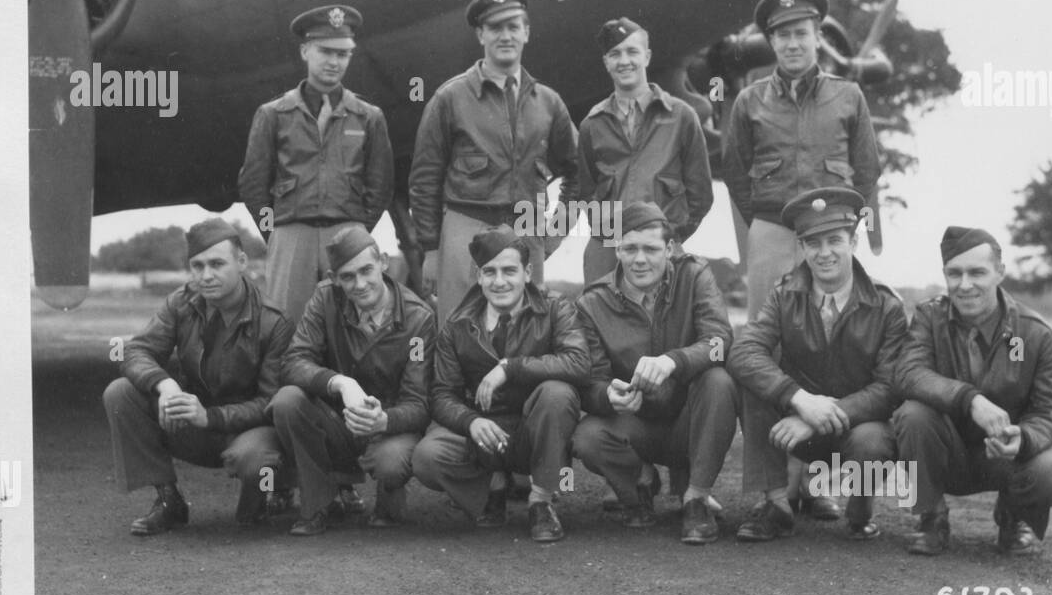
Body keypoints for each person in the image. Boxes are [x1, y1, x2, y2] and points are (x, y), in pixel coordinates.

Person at [728, 188, 907, 542]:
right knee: (751, 376)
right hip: (795, 418)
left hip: (854, 426)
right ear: (802, 247)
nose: (824, 253)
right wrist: (798, 399)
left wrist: (822, 415)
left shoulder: (888, 306)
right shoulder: (784, 294)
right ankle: (777, 504)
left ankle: (860, 506)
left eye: (834, 240)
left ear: (853, 242)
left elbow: (890, 388)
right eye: (812, 243)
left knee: (873, 440)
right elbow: (744, 351)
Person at [102, 217, 294, 535]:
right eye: (198, 265)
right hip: (194, 424)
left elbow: (270, 403)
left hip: (247, 432)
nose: (206, 276)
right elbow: (135, 351)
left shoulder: (274, 321)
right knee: (120, 393)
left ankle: (268, 491)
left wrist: (211, 416)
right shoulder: (181, 302)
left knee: (255, 468)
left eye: (217, 264)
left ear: (242, 262)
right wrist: (166, 386)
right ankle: (168, 500)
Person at [893, 226, 1052, 556]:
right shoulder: (929, 317)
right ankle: (931, 517)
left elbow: (1050, 411)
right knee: (912, 415)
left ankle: (1013, 517)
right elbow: (909, 373)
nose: (964, 285)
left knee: (1050, 472)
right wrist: (970, 399)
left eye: (977, 272)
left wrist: (1025, 439)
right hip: (944, 449)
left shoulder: (1032, 334)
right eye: (954, 273)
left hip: (1003, 455)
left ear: (1000, 273)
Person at [408, 0, 578, 322]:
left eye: (513, 26)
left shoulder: (548, 103)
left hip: (525, 229)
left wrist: (554, 232)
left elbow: (580, 172)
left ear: (526, 32)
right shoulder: (450, 98)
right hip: (465, 226)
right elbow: (424, 181)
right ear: (480, 35)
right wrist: (430, 248)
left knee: (526, 338)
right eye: (495, 28)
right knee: (458, 334)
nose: (505, 36)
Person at [411, 225, 589, 543]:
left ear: (528, 272)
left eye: (509, 270)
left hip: (536, 430)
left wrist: (512, 367)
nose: (500, 281)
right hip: (485, 433)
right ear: (479, 277)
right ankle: (489, 488)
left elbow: (578, 363)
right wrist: (471, 421)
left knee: (557, 393)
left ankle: (541, 500)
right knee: (427, 456)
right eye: (489, 272)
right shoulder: (456, 324)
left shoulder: (556, 307)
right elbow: (441, 393)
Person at [572, 202, 736, 544]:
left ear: (671, 249)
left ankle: (696, 498)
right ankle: (637, 490)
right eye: (629, 249)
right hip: (635, 422)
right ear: (617, 249)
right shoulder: (592, 302)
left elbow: (720, 341)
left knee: (719, 381)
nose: (640, 259)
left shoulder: (695, 275)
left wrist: (674, 360)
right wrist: (608, 396)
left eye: (651, 248)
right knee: (587, 437)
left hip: (688, 417)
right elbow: (590, 382)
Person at [722, 0, 881, 317]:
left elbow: (867, 170)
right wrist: (764, 224)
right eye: (782, 35)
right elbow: (735, 171)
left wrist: (844, 227)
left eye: (800, 33)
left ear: (817, 37)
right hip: (772, 232)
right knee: (764, 333)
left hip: (831, 231)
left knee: (834, 329)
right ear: (771, 42)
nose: (792, 43)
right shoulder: (749, 101)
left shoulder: (849, 96)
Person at [270, 225, 435, 536]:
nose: (359, 284)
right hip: (338, 421)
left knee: (390, 466)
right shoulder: (325, 299)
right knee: (287, 400)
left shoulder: (419, 320)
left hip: (389, 428)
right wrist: (340, 383)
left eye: (366, 271)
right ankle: (318, 503)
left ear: (384, 262)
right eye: (347, 276)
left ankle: (388, 496)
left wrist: (383, 420)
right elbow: (293, 361)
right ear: (335, 278)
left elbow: (421, 403)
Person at [238, 4, 394, 327]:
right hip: (291, 232)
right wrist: (279, 234)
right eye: (325, 51)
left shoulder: (368, 116)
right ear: (305, 51)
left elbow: (381, 185)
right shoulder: (273, 114)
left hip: (347, 229)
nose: (334, 62)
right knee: (284, 328)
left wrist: (357, 232)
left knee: (353, 326)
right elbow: (253, 184)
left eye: (343, 54)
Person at [575, 18, 713, 279]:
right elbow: (586, 192)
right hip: (607, 251)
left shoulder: (681, 117)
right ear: (606, 62)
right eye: (615, 54)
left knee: (664, 319)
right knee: (599, 317)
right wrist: (608, 232)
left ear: (647, 57)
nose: (624, 61)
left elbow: (701, 194)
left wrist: (668, 235)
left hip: (660, 249)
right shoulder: (592, 125)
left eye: (632, 52)